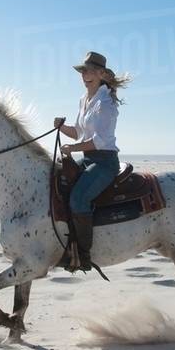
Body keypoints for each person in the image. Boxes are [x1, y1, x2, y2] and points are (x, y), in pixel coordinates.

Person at [53, 51, 129, 271]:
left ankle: (84, 256)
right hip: (87, 159)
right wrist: (60, 127)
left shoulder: (106, 103)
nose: (84, 74)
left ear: (101, 74)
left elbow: (99, 141)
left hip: (105, 162)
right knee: (58, 180)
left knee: (78, 199)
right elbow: (77, 132)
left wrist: (72, 149)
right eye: (82, 70)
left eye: (88, 70)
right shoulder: (84, 100)